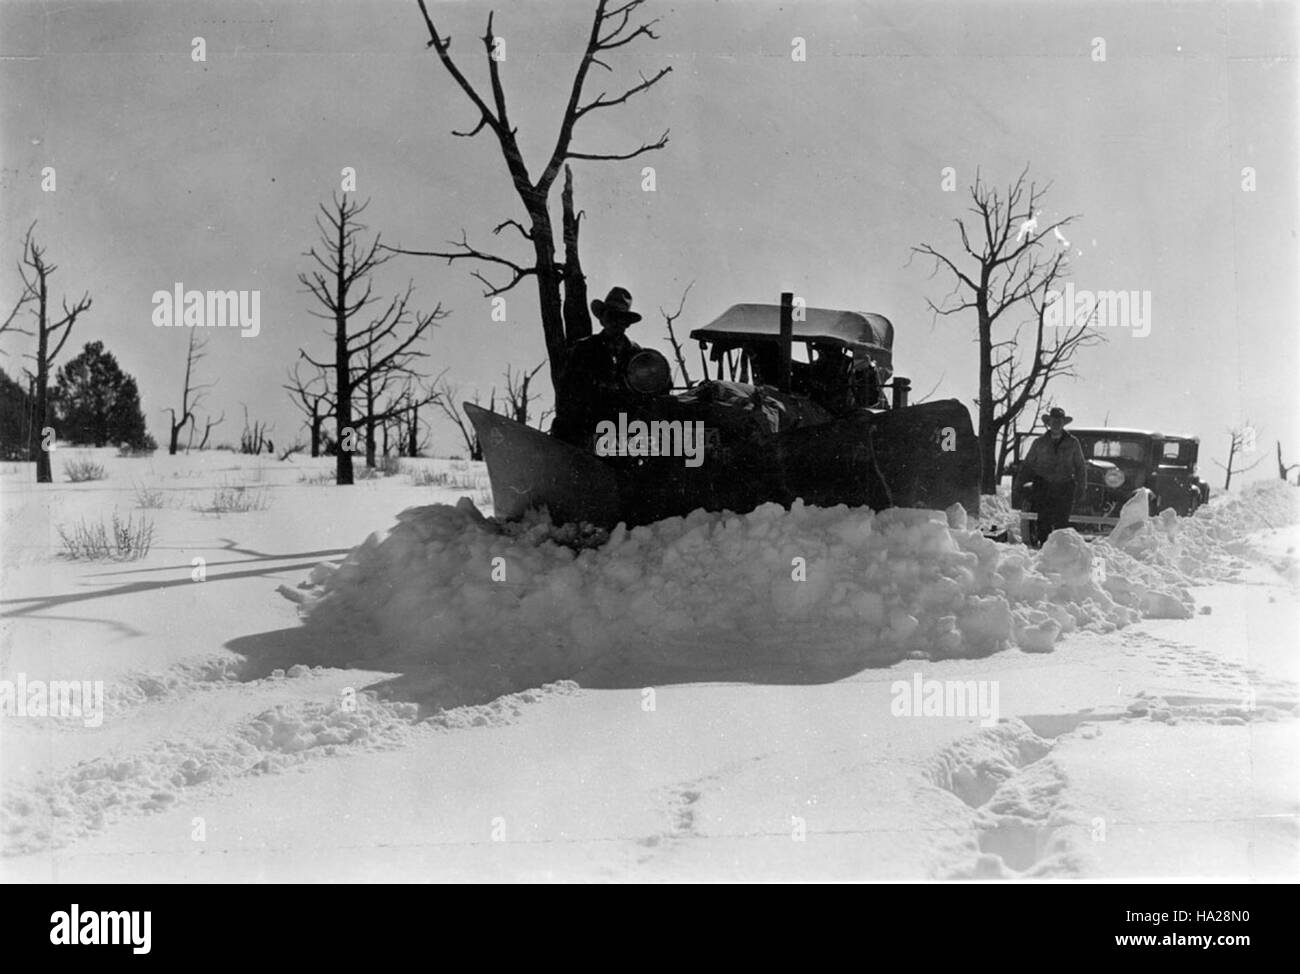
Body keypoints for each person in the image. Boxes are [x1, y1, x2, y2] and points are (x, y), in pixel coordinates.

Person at [552, 286, 643, 446]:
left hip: (624, 433)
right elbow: (566, 394)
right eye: (611, 316)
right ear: (602, 319)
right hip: (586, 429)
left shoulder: (637, 355)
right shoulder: (583, 349)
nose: (615, 321)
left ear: (627, 323)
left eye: (621, 317)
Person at [1014, 406, 1087, 547]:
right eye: (1053, 421)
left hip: (1065, 486)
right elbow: (1028, 465)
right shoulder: (1039, 442)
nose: (1056, 424)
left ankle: (1060, 550)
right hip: (1044, 486)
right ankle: (1044, 549)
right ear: (1049, 423)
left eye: (1059, 421)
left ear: (1063, 423)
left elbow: (1080, 466)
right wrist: (1018, 485)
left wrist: (1081, 487)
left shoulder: (1073, 443)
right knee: (1044, 520)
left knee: (1062, 522)